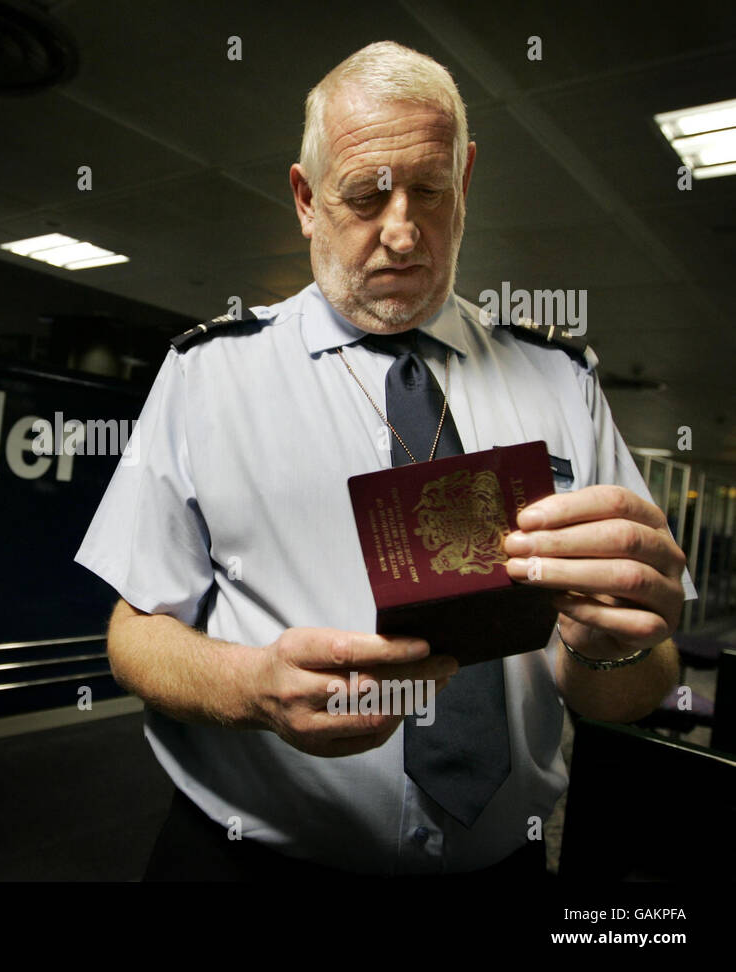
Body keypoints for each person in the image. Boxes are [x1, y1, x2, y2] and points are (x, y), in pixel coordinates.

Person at [74, 40, 696, 879]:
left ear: (465, 180)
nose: (402, 231)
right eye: (366, 195)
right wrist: (253, 686)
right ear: (304, 198)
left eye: (430, 191)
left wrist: (613, 642)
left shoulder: (562, 383)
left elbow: (637, 679)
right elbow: (134, 634)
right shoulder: (207, 373)